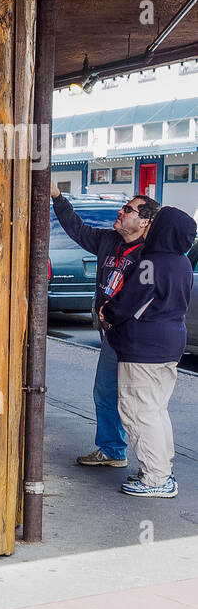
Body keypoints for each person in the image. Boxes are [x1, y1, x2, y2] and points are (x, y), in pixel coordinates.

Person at [50, 188, 155, 468]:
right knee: (105, 391)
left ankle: (153, 468)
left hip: (138, 337)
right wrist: (58, 197)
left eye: (128, 209)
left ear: (145, 221)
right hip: (112, 335)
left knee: (139, 401)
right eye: (123, 207)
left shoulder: (151, 253)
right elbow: (77, 229)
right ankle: (112, 449)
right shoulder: (109, 241)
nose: (120, 212)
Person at [99, 203, 196, 498]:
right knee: (155, 410)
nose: (149, 227)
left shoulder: (151, 262)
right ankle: (161, 470)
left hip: (144, 347)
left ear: (164, 229)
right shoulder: (181, 262)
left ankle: (156, 479)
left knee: (138, 411)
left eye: (155, 223)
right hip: (169, 344)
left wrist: (109, 313)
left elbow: (130, 300)